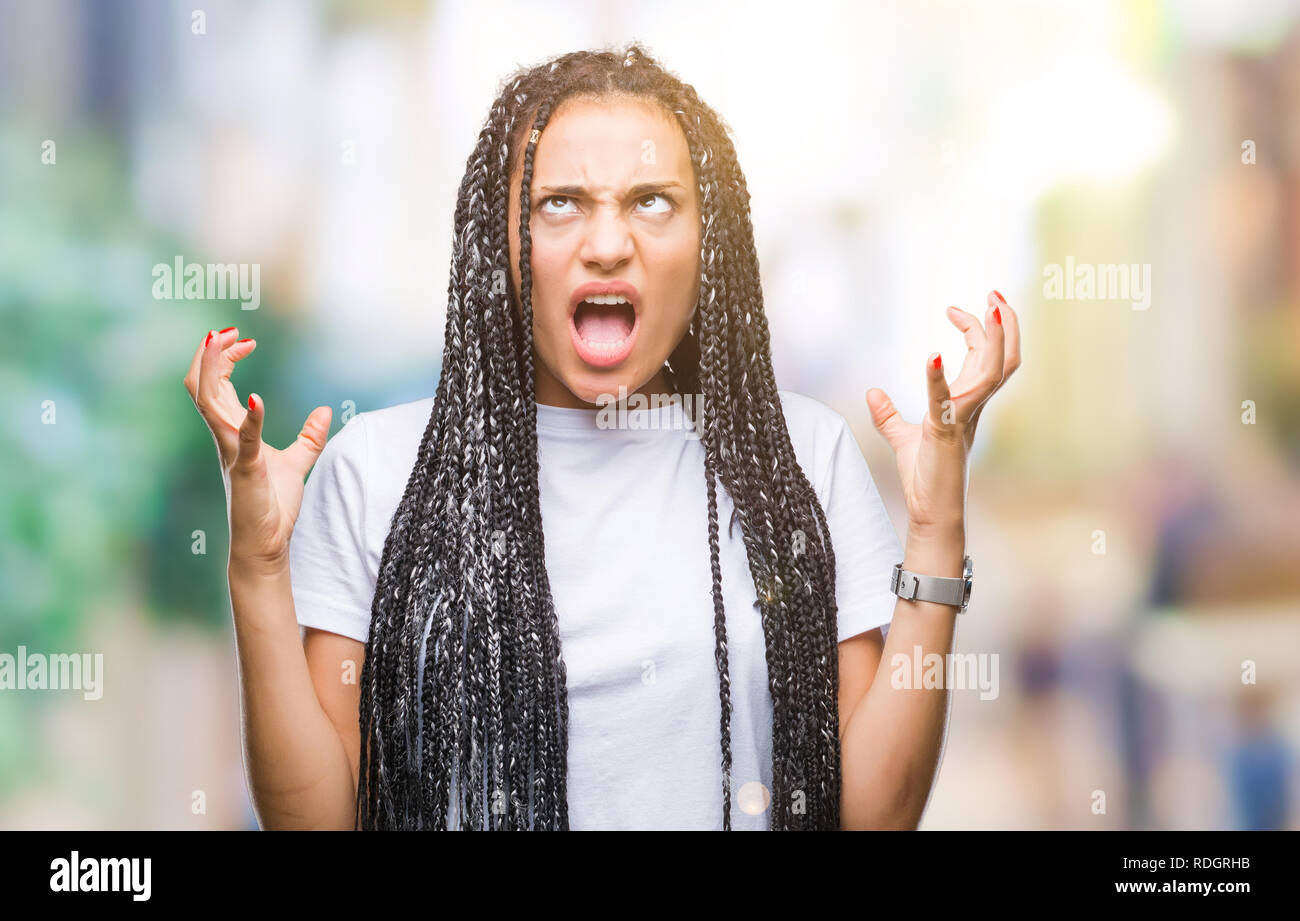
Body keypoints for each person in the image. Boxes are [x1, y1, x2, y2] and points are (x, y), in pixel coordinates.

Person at [182, 43, 1020, 830]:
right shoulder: (379, 470)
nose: (608, 244)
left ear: (709, 242)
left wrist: (937, 528)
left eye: (652, 201)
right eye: (558, 204)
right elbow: (316, 819)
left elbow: (876, 813)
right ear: (500, 245)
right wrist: (257, 570)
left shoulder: (802, 458)